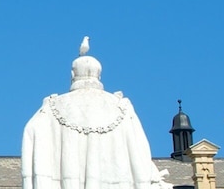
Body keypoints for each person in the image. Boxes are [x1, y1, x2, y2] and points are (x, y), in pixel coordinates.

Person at [21, 37, 171, 189]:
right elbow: (141, 155)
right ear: (98, 75)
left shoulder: (51, 107)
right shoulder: (122, 108)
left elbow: (32, 134)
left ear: (73, 75)